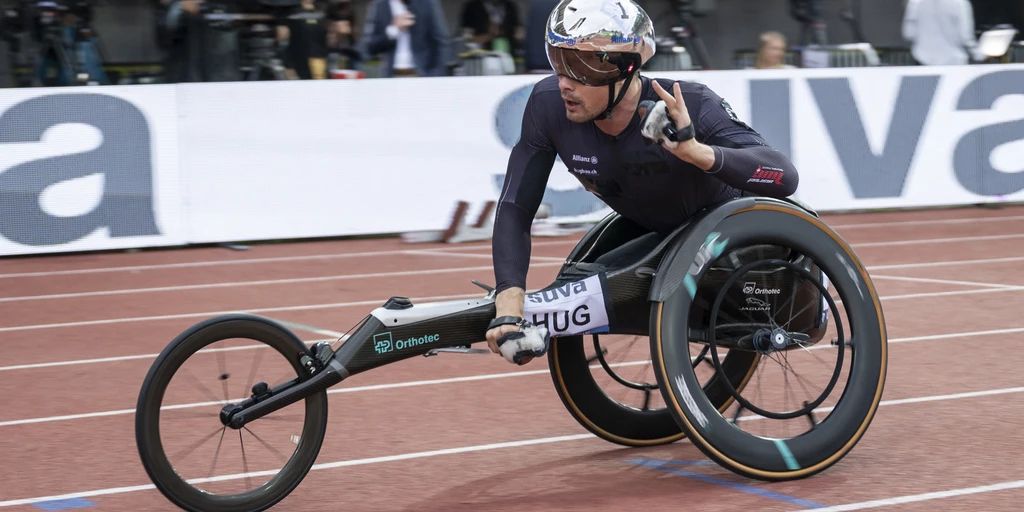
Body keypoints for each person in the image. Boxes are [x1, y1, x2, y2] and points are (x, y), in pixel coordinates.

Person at [484, 0, 799, 363]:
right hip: (657, 241)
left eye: (579, 65)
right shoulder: (546, 106)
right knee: (567, 289)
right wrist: (509, 298)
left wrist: (696, 152)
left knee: (564, 299)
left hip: (742, 251)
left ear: (623, 67)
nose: (563, 83)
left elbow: (782, 175)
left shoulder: (690, 103)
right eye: (558, 61)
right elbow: (516, 206)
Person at [360, 0, 452, 77]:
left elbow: (442, 41)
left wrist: (437, 75)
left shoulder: (427, 3)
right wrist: (394, 29)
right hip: (391, 76)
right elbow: (369, 46)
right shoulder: (379, 5)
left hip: (422, 75)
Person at [902, 0, 981, 65]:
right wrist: (978, 54)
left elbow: (909, 34)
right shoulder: (960, 4)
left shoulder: (915, 3)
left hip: (923, 59)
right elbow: (965, 37)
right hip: (954, 61)